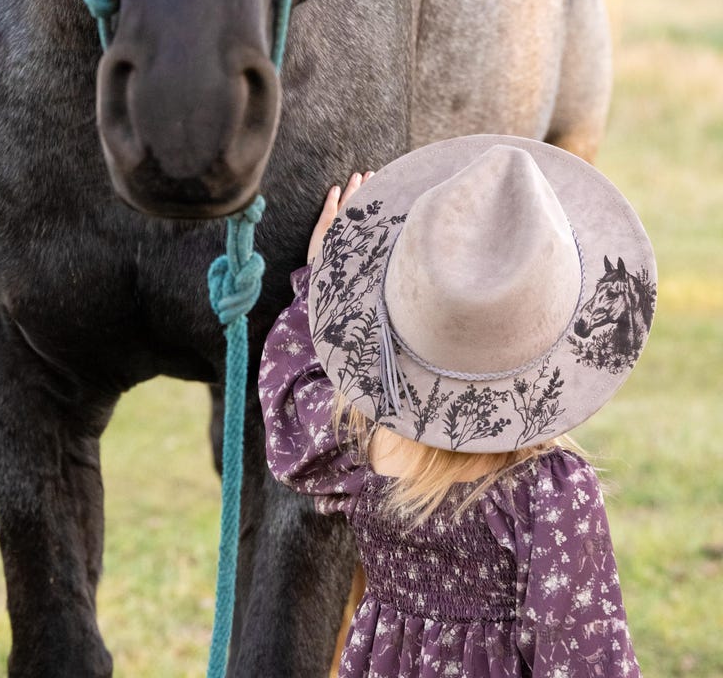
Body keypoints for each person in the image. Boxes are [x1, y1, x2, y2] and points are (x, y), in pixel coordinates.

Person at [259, 134, 655, 678]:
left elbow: (291, 398)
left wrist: (321, 289)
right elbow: (585, 658)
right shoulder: (549, 494)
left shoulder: (361, 446)